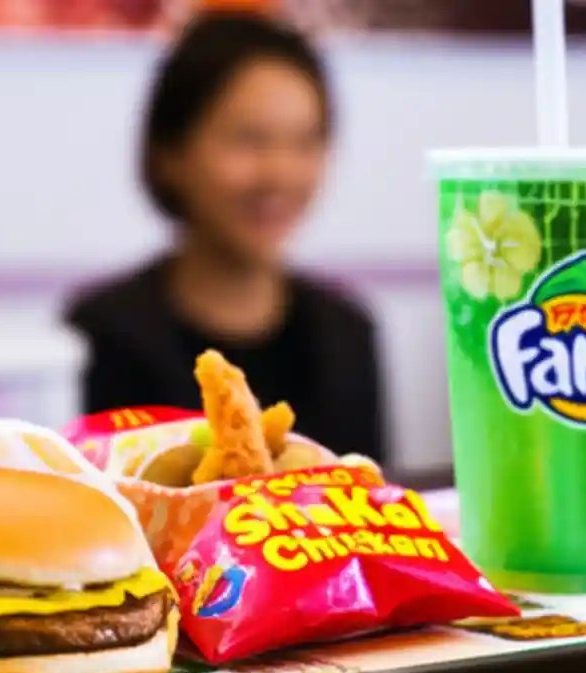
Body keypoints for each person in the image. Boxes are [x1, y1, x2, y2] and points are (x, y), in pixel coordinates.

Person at [66, 10, 386, 464]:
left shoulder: (347, 334)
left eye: (305, 142)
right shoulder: (104, 334)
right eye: (248, 140)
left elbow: (370, 494)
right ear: (170, 153)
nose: (279, 173)